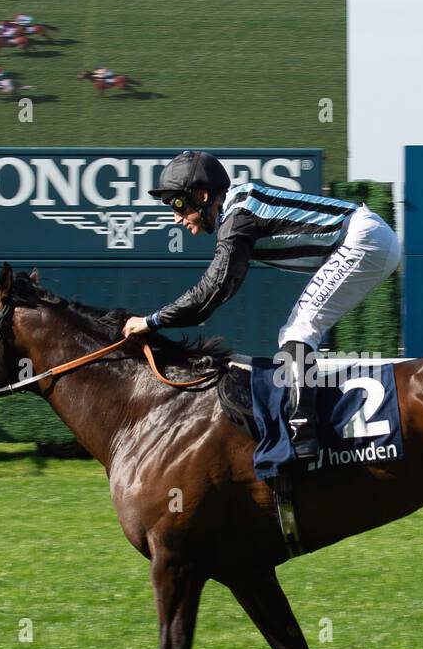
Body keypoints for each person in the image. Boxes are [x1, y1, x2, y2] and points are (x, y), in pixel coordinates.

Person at [122, 150, 401, 460]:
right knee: (298, 329)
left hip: (364, 240)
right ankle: (303, 428)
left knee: (299, 329)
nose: (176, 216)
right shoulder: (237, 211)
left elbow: (212, 291)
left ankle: (303, 437)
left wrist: (152, 321)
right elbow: (216, 292)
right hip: (366, 238)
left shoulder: (238, 218)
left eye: (178, 203)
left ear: (202, 195)